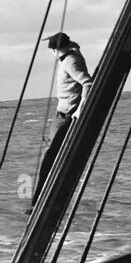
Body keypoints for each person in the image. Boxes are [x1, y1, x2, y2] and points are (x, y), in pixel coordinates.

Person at [33, 32, 93, 206]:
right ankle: (39, 197)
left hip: (67, 114)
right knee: (50, 149)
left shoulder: (70, 62)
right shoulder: (72, 54)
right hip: (61, 111)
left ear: (55, 51)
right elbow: (76, 46)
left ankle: (37, 200)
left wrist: (80, 109)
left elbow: (87, 83)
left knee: (49, 155)